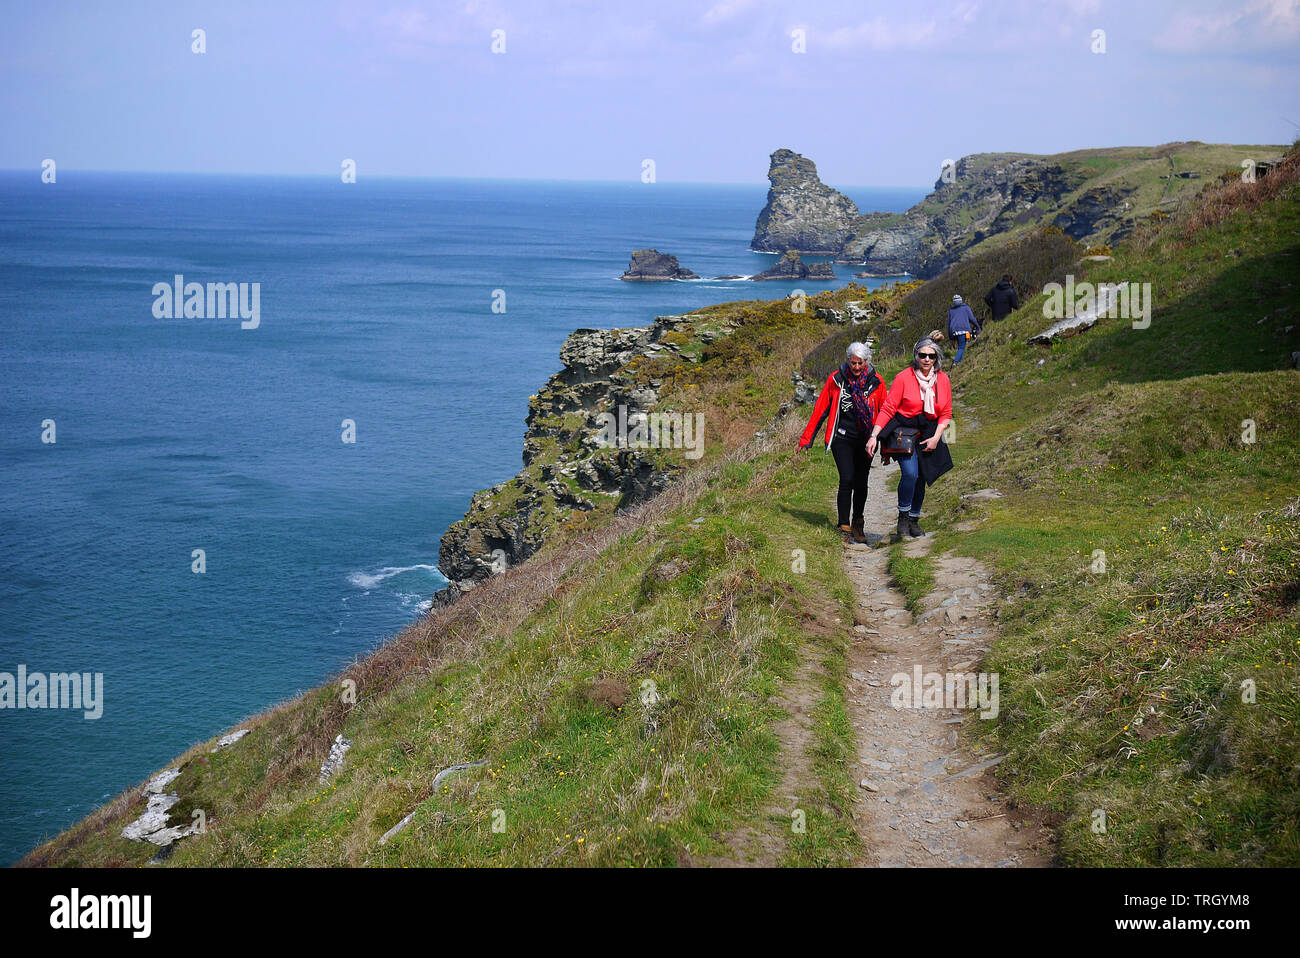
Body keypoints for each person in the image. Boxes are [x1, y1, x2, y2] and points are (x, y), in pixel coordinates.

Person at [799, 342, 887, 544]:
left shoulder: (877, 382)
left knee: (861, 482)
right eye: (852, 362)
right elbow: (820, 410)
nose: (856, 367)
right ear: (847, 360)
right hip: (842, 437)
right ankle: (843, 526)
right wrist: (806, 440)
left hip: (866, 440)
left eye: (860, 363)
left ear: (867, 362)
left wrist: (886, 447)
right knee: (847, 479)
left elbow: (885, 414)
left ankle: (858, 522)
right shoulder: (836, 379)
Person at [866, 338, 954, 539]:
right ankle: (903, 517)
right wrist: (874, 435)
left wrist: (936, 437)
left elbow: (946, 412)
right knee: (911, 473)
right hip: (904, 432)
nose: (926, 359)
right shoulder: (903, 378)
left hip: (930, 432)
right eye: (922, 355)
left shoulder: (943, 380)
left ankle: (914, 520)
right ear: (916, 355)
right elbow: (888, 408)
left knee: (922, 477)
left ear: (936, 358)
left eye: (931, 356)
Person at [946, 294, 980, 364]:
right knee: (961, 347)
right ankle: (955, 362)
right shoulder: (966, 308)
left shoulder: (951, 310)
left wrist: (950, 336)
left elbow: (949, 324)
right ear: (961, 300)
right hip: (964, 329)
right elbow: (972, 318)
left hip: (954, 331)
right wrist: (977, 326)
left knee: (960, 346)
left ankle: (959, 362)